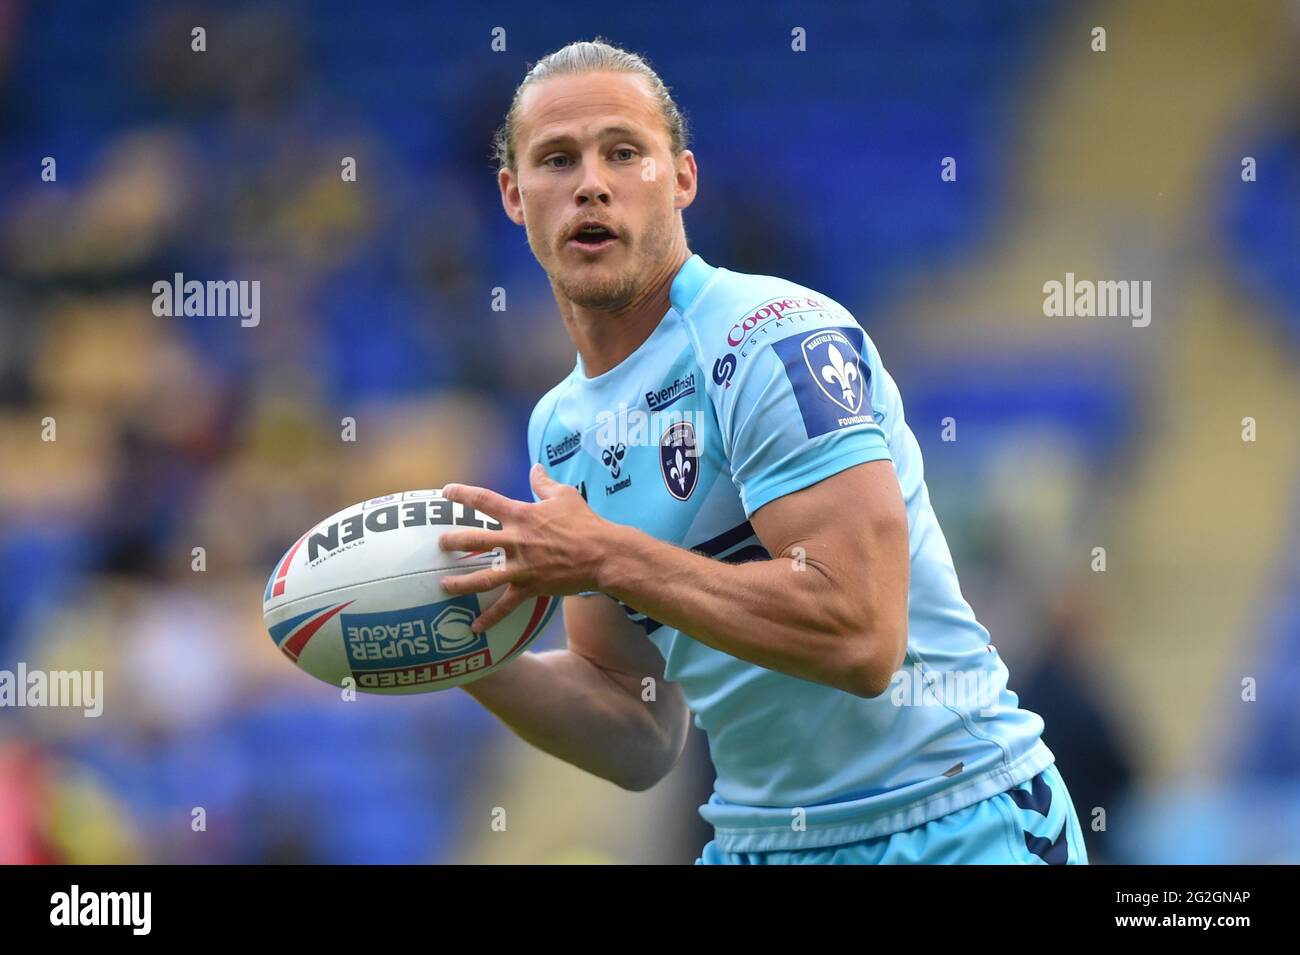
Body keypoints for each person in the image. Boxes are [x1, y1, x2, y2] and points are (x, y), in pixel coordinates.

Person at [437, 39, 1087, 865]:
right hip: (761, 842)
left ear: (682, 179)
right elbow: (637, 726)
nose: (591, 182)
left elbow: (860, 636)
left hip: (948, 819)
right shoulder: (559, 429)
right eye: (557, 159)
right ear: (513, 196)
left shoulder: (769, 338)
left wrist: (608, 555)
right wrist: (458, 654)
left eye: (624, 152)